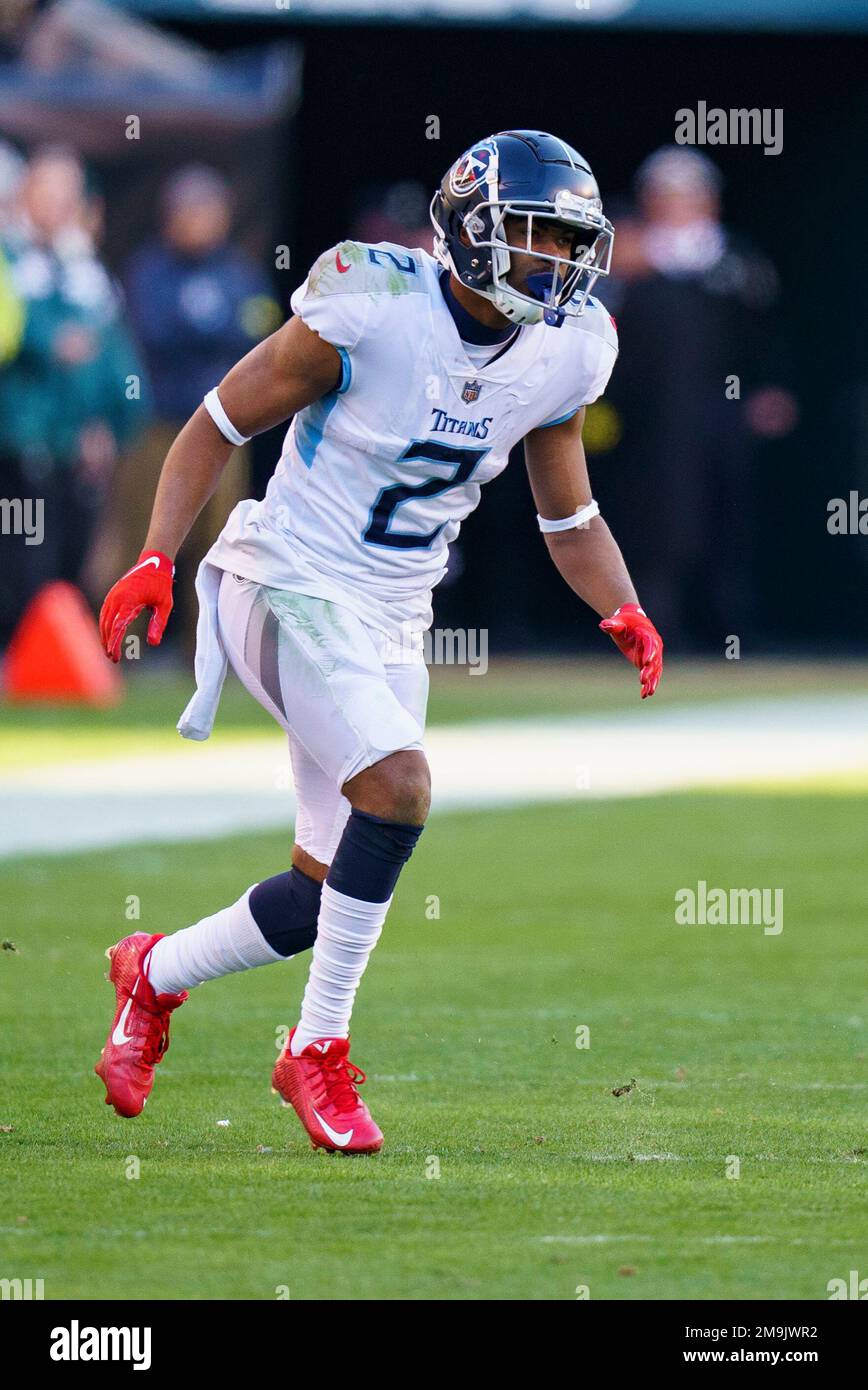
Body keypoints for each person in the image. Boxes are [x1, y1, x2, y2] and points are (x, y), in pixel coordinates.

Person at [94, 130, 663, 1154]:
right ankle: (314, 1050)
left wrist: (617, 604)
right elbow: (217, 422)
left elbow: (566, 516)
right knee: (398, 787)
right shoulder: (371, 308)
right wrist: (156, 554)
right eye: (533, 235)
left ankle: (151, 972)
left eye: (569, 241)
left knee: (323, 891)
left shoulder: (566, 347)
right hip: (284, 579)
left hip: (396, 612)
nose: (555, 262)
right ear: (469, 231)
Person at [602, 147, 796, 645]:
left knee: (726, 516)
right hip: (646, 418)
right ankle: (649, 628)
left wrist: (770, 389)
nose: (678, 206)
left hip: (720, 413)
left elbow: (767, 333)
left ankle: (728, 630)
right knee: (648, 521)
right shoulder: (621, 259)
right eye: (666, 196)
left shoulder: (735, 264)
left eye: (688, 196)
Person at [0, 145, 146, 644]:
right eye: (48, 189)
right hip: (18, 441)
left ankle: (52, 661)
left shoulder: (83, 271)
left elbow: (111, 357)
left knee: (68, 558)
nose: (59, 203)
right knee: (21, 547)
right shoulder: (10, 261)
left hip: (74, 443)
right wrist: (47, 343)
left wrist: (108, 423)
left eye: (68, 192)